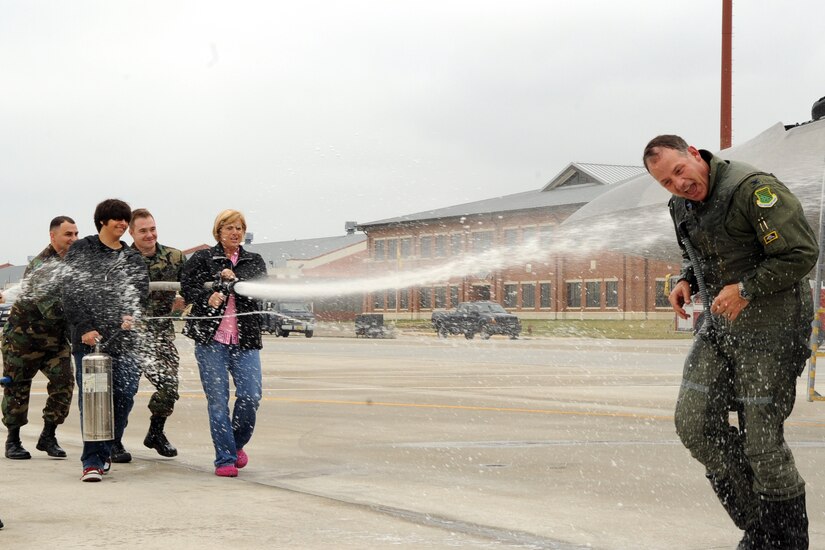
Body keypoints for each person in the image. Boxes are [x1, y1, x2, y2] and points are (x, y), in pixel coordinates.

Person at [643, 135, 818, 549]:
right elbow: (697, 251)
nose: (679, 184)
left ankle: (786, 540)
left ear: (694, 153)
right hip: (722, 327)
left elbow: (801, 253)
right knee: (694, 424)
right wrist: (685, 278)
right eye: (666, 182)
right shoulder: (680, 206)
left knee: (762, 443)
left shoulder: (753, 189)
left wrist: (746, 288)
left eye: (680, 171)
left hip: (773, 328)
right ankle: (760, 529)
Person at [63, 199, 149, 482]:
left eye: (125, 219)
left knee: (125, 394)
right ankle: (92, 461)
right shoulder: (83, 249)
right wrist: (85, 327)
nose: (122, 224)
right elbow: (70, 290)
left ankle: (108, 444)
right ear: (102, 221)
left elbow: (139, 295)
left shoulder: (133, 258)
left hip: (124, 340)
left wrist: (131, 315)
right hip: (89, 342)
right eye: (117, 219)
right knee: (93, 399)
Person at [180, 210, 267, 477]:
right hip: (211, 342)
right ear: (218, 232)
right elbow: (188, 288)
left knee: (251, 396)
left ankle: (236, 443)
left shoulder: (254, 260)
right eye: (229, 227)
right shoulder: (203, 258)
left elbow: (260, 291)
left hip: (246, 340)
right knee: (218, 402)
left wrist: (235, 282)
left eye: (239, 228)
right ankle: (225, 458)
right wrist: (208, 296)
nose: (235, 232)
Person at [2, 216, 79, 460]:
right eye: (68, 234)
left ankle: (48, 436)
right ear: (53, 236)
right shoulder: (42, 266)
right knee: (17, 388)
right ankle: (13, 441)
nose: (74, 239)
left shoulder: (73, 262)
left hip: (55, 341)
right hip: (23, 340)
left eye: (76, 234)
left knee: (64, 383)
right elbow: (52, 310)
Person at [127, 208, 184, 458]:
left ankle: (156, 432)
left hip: (161, 335)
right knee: (122, 392)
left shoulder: (175, 257)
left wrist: (185, 303)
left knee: (169, 385)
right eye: (143, 231)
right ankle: (113, 441)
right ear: (131, 232)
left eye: (152, 229)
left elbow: (192, 288)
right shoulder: (123, 259)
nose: (150, 235)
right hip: (128, 337)